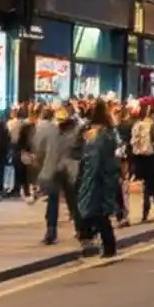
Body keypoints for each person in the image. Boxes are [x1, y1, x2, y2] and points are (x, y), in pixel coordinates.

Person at [35, 106, 83, 245]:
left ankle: (51, 231)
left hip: (56, 170)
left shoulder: (52, 133)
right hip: (67, 171)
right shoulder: (74, 134)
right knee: (72, 201)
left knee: (54, 201)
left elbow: (41, 151)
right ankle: (80, 229)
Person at [77, 100, 119, 258]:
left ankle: (100, 244)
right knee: (99, 213)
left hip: (97, 178)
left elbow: (92, 159)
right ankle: (105, 244)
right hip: (105, 177)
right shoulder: (109, 132)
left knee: (95, 212)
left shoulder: (97, 136)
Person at [130, 109, 154, 222]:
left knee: (145, 185)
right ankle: (150, 210)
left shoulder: (136, 126)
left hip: (139, 158)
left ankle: (150, 211)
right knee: (151, 186)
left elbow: (133, 142)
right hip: (151, 158)